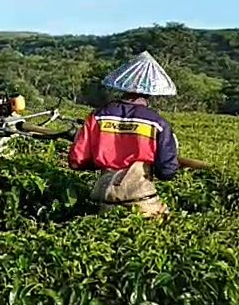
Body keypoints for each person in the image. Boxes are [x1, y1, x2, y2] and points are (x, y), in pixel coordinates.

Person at [67, 90, 180, 219]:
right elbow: (167, 171)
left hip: (105, 194)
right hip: (140, 196)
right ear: (148, 94)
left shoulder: (97, 117)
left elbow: (77, 160)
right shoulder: (157, 122)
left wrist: (103, 160)